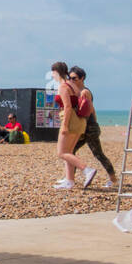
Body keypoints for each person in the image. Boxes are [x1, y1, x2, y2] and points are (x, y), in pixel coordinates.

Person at [69, 66, 117, 188]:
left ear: (82, 78)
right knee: (71, 150)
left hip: (88, 128)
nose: (71, 80)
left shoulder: (84, 92)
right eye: (69, 78)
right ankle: (70, 178)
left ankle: (113, 179)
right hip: (86, 127)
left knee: (98, 154)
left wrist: (91, 126)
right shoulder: (77, 92)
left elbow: (88, 111)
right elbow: (93, 110)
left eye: (74, 78)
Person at [51, 61, 96, 190]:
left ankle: (87, 169)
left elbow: (68, 107)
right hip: (80, 121)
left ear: (56, 72)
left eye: (53, 73)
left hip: (71, 120)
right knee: (69, 152)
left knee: (62, 152)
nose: (52, 75)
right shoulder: (73, 85)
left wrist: (64, 126)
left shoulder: (63, 87)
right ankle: (69, 180)